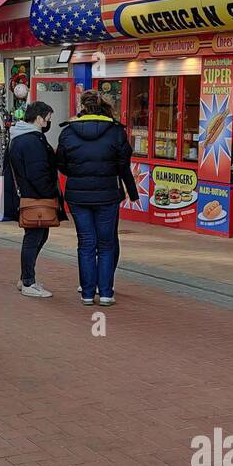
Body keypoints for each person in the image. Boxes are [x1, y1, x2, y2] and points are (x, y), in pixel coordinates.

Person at [56, 89, 139, 306]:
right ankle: (105, 293)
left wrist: (77, 175)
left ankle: (86, 293)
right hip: (108, 195)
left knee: (85, 243)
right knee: (106, 244)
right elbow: (124, 166)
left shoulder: (68, 132)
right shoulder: (115, 131)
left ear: (82, 106)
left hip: (77, 195)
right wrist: (132, 191)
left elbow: (61, 163)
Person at [6, 101, 63, 297]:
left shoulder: (20, 137)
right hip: (35, 197)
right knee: (34, 237)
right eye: (48, 118)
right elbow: (37, 172)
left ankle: (26, 278)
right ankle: (28, 281)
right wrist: (50, 193)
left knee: (38, 236)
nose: (49, 122)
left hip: (29, 195)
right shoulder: (31, 141)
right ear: (39, 118)